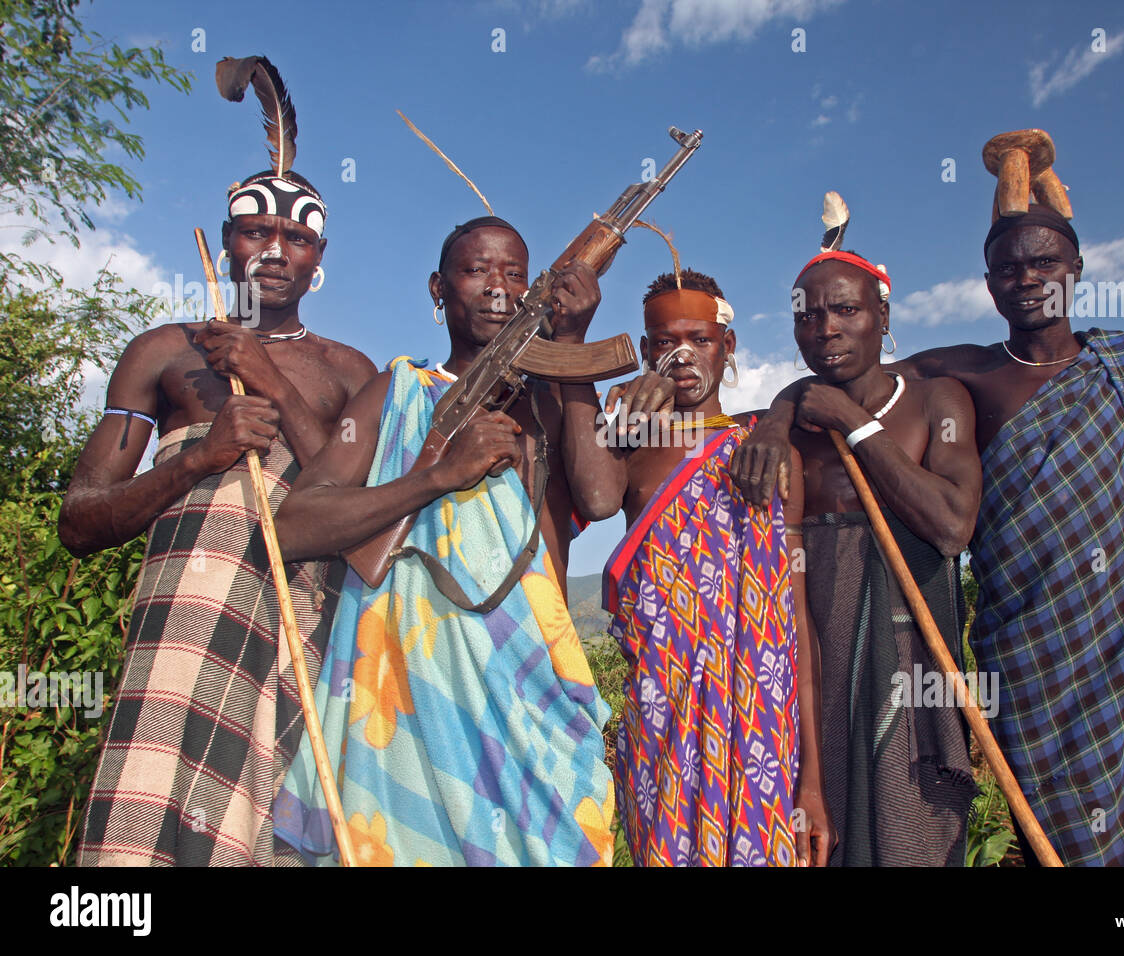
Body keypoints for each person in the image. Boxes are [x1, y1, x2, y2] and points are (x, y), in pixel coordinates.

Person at [735, 206, 1124, 865]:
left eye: (1045, 263)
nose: (1027, 278)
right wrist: (776, 417)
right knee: (1050, 818)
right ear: (988, 283)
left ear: (1076, 271)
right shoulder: (966, 371)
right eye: (1008, 268)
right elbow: (835, 371)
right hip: (1025, 636)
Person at [270, 217, 618, 866]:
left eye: (516, 275)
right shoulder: (397, 391)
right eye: (476, 270)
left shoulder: (550, 400)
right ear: (438, 288)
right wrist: (436, 478)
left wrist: (574, 349)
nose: (497, 288)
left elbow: (600, 497)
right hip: (405, 695)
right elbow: (293, 526)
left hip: (529, 689)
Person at [59, 164, 377, 865]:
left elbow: (362, 515)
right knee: (143, 829)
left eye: (296, 237)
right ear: (226, 239)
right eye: (257, 230)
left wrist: (271, 383)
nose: (274, 249)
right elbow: (79, 522)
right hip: (179, 635)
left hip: (298, 637)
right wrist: (199, 460)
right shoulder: (165, 352)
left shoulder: (353, 373)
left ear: (319, 257)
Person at [732, 250, 982, 865]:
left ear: (882, 313)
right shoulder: (781, 432)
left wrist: (854, 423)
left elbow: (951, 527)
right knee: (821, 822)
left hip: (905, 656)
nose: (826, 329)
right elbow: (693, 431)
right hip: (809, 655)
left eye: (845, 309)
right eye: (808, 317)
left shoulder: (936, 402)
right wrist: (776, 416)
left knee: (910, 821)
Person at [581, 268, 832, 866]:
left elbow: (796, 621)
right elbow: (588, 497)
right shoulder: (628, 447)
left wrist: (814, 784)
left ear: (729, 347)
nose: (683, 355)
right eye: (665, 343)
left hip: (761, 725)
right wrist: (613, 410)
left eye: (700, 339)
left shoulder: (766, 448)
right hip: (660, 714)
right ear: (645, 352)